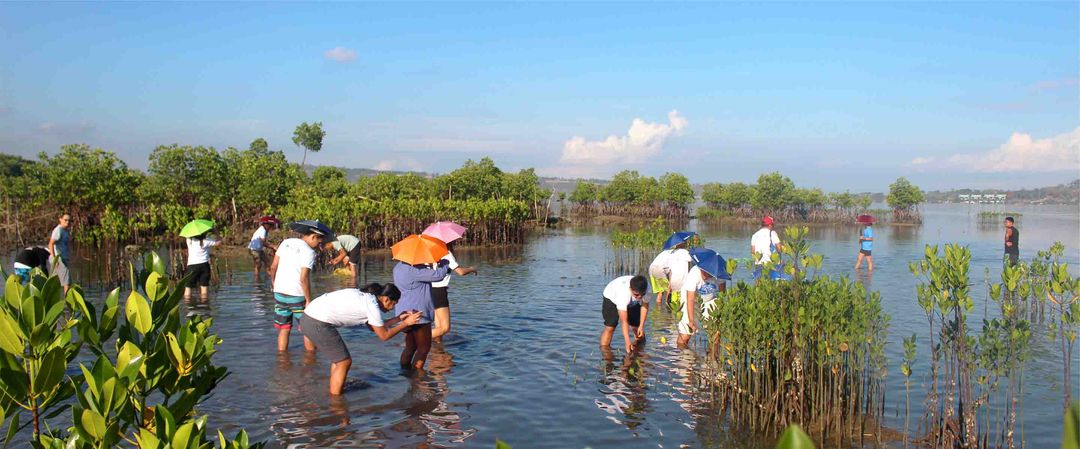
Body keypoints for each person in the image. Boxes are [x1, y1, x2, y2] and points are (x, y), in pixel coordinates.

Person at [300, 283, 423, 395]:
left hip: (308, 317)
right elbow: (384, 335)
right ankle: (336, 401)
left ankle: (335, 389)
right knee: (344, 362)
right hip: (316, 322)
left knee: (338, 360)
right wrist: (406, 323)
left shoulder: (367, 297)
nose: (392, 309)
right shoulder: (372, 305)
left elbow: (373, 327)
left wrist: (398, 319)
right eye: (393, 304)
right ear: (386, 299)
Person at [272, 221, 332, 352]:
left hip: (279, 292)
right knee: (307, 329)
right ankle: (311, 361)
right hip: (297, 295)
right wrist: (309, 300)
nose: (318, 245)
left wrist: (274, 284)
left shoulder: (285, 242)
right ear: (313, 237)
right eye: (319, 242)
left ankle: (282, 360)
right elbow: (303, 278)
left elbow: (273, 267)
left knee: (284, 328)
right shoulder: (309, 252)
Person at [392, 260, 450, 370]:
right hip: (418, 314)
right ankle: (416, 376)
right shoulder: (414, 270)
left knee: (410, 347)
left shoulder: (398, 267)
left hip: (404, 313)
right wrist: (445, 262)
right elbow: (438, 275)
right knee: (423, 348)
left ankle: (404, 371)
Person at [430, 246, 477, 342]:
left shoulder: (430, 253)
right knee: (445, 328)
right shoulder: (446, 254)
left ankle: (438, 350)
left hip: (429, 291)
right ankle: (417, 339)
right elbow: (460, 272)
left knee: (438, 327)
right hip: (439, 293)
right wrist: (471, 269)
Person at [600, 275, 650, 354]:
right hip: (611, 297)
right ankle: (606, 355)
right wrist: (627, 341)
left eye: (642, 294)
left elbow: (645, 305)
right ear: (630, 289)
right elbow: (624, 321)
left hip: (630, 299)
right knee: (610, 327)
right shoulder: (623, 294)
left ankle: (638, 353)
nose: (639, 297)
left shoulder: (646, 289)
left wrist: (641, 326)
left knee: (637, 327)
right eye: (636, 295)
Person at [676, 264, 714, 348]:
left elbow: (721, 295)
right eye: (704, 272)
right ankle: (681, 356)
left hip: (710, 299)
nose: (706, 276)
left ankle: (713, 357)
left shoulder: (720, 273)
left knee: (714, 333)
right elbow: (690, 299)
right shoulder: (694, 273)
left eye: (709, 274)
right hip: (690, 297)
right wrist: (691, 320)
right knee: (686, 334)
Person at [184, 231, 219, 299]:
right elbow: (218, 242)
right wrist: (215, 232)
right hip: (204, 266)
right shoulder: (206, 240)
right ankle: (204, 306)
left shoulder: (189, 240)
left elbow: (187, 234)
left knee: (188, 289)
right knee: (204, 290)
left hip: (192, 266)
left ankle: (188, 306)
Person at [47, 213, 72, 293]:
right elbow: (50, 243)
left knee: (56, 281)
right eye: (65, 220)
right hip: (58, 258)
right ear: (60, 219)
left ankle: (56, 301)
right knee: (66, 282)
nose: (67, 222)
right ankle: (68, 302)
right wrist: (55, 259)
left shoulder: (65, 231)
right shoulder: (58, 230)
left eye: (69, 220)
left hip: (63, 258)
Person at [665, 243, 694, 309]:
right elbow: (691, 259)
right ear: (683, 244)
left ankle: (674, 312)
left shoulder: (671, 253)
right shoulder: (685, 252)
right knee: (683, 298)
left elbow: (669, 268)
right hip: (683, 278)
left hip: (673, 278)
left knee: (674, 297)